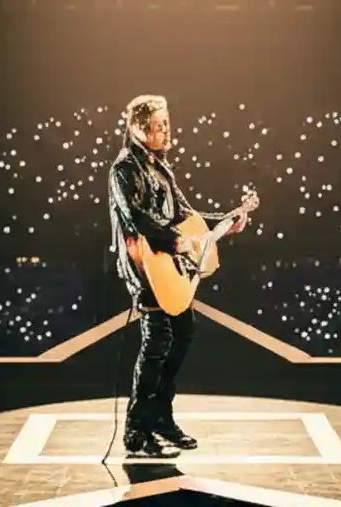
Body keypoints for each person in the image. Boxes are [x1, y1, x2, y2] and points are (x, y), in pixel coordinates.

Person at [107, 94, 248, 457]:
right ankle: (137, 431)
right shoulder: (125, 169)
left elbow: (187, 213)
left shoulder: (160, 167)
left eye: (167, 123)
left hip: (170, 266)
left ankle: (160, 418)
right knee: (156, 344)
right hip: (146, 268)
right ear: (139, 128)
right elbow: (137, 219)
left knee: (183, 332)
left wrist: (226, 222)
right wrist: (177, 241)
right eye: (159, 125)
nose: (167, 131)